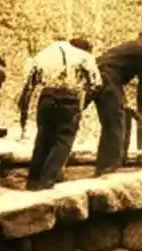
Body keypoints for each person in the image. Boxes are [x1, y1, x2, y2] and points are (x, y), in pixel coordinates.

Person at [17, 37, 103, 190]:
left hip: (47, 97)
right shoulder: (84, 57)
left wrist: (23, 113)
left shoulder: (43, 55)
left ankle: (33, 181)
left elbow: (28, 87)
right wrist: (81, 103)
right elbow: (96, 85)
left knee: (43, 139)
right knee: (63, 140)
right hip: (69, 98)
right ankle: (47, 181)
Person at [94, 28, 142, 174]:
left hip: (96, 74)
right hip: (108, 77)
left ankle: (103, 165)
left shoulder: (129, 47)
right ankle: (108, 169)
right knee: (116, 123)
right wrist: (141, 110)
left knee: (110, 122)